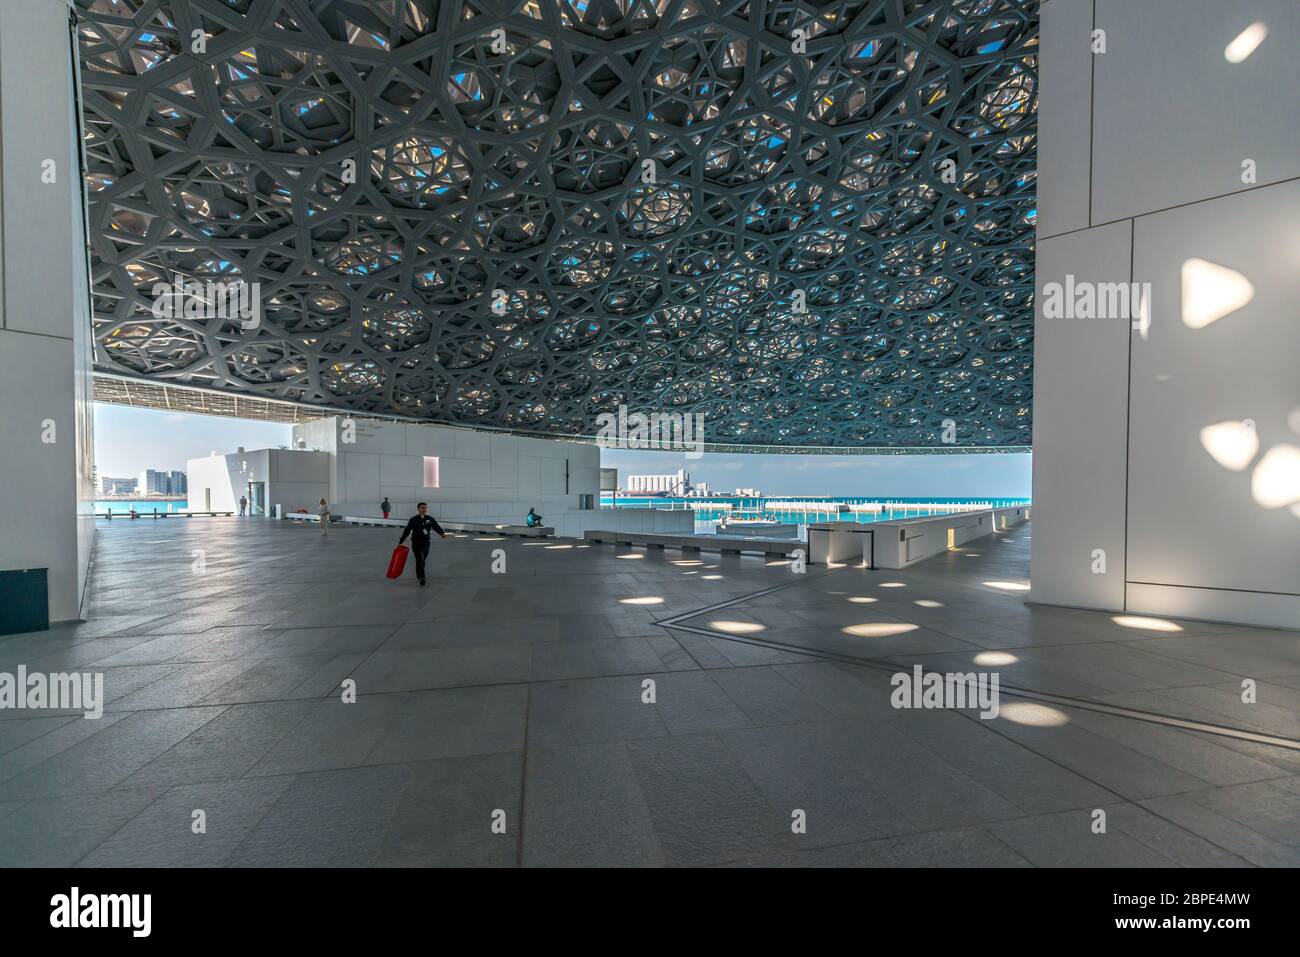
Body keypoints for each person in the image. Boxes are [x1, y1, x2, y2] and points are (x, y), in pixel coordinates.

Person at [398, 502, 446, 586]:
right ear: (418, 509)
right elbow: (407, 530)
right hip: (416, 542)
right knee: (420, 559)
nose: (424, 509)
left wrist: (442, 533)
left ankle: (420, 575)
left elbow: (436, 526)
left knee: (422, 559)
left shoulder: (430, 519)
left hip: (426, 542)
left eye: (425, 508)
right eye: (422, 508)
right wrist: (401, 541)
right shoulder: (413, 519)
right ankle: (421, 577)